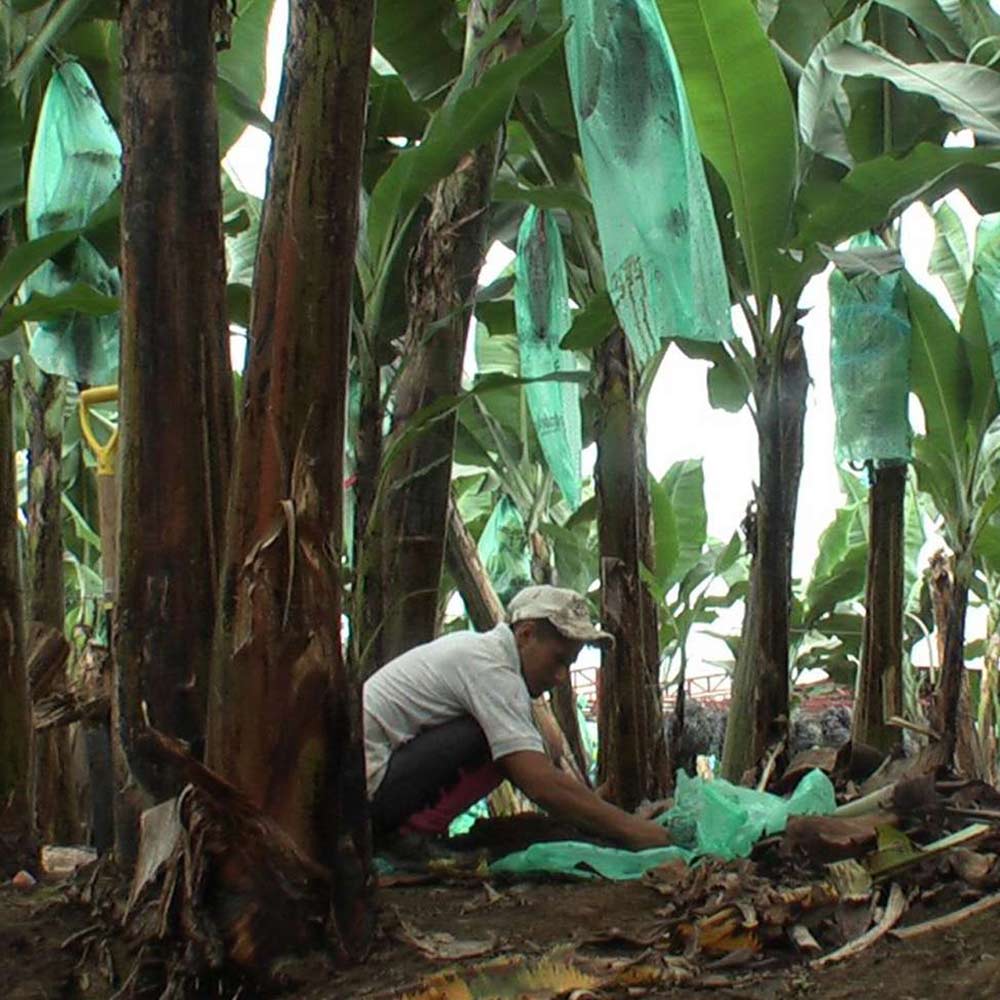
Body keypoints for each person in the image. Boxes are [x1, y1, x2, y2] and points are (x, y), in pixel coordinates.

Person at [363, 584, 670, 852]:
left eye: (570, 664)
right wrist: (633, 831)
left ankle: (407, 835)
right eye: (558, 660)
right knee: (493, 743)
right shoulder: (491, 669)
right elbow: (538, 782)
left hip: (371, 789)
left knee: (515, 742)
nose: (562, 676)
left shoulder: (486, 655)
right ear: (525, 635)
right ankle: (404, 839)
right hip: (368, 800)